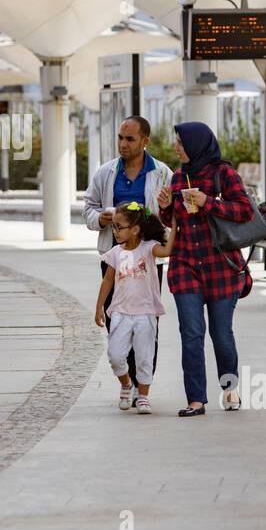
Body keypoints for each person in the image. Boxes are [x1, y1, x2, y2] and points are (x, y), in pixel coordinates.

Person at [156, 121, 255, 417]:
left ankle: (229, 387)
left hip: (220, 268)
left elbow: (245, 210)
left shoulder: (223, 173)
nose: (176, 147)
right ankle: (195, 400)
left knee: (221, 333)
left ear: (197, 145)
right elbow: (172, 221)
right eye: (176, 142)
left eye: (180, 142)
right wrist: (164, 207)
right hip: (185, 265)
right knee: (191, 332)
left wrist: (209, 202)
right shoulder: (176, 178)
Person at [84, 116, 173, 392]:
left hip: (148, 260)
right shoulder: (106, 172)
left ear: (145, 141)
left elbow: (171, 217)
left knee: (147, 325)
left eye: (130, 139)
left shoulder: (162, 174)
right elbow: (88, 208)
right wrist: (101, 219)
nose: (123, 144)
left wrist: (164, 211)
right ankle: (127, 377)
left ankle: (140, 385)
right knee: (117, 322)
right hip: (115, 258)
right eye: (120, 138)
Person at [94, 203, 172, 415]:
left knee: (144, 356)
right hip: (120, 312)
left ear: (135, 229)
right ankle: (127, 384)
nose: (115, 231)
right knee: (115, 355)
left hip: (146, 313)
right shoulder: (115, 253)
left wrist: (174, 225)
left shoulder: (149, 249)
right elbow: (107, 281)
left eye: (119, 227)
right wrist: (99, 306)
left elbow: (168, 250)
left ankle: (143, 396)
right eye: (114, 227)